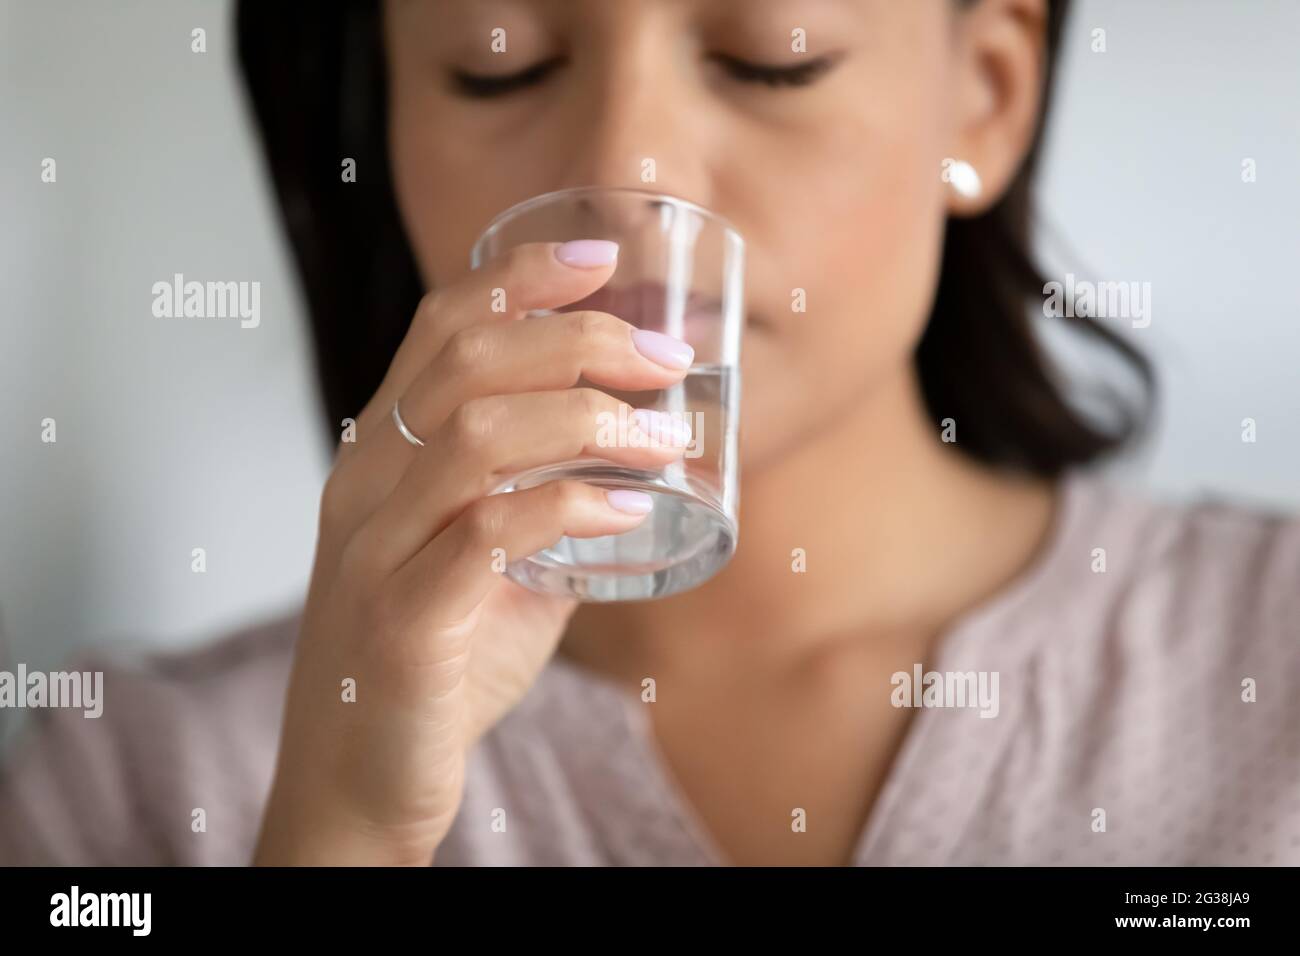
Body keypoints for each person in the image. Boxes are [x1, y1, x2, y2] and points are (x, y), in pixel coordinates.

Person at [2, 0, 1297, 867]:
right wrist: (337, 830)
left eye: (772, 57)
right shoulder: (131, 790)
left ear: (986, 97)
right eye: (497, 65)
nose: (630, 176)